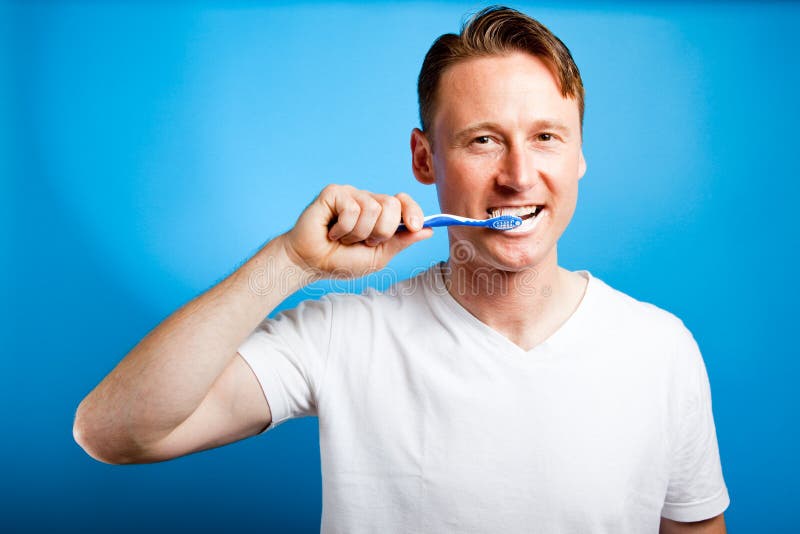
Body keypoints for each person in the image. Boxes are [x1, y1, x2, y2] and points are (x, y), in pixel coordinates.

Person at [73, 6, 729, 533]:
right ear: (424, 159)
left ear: (580, 154)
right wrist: (293, 260)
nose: (519, 177)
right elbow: (112, 432)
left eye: (546, 137)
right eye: (483, 140)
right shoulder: (342, 336)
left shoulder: (660, 349)